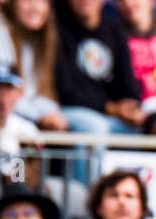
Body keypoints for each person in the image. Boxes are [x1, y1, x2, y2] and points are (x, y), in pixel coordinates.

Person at [0, 0, 68, 130]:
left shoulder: (34, 41)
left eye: (42, 1)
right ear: (11, 3)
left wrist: (50, 112)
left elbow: (35, 94)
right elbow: (3, 96)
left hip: (13, 118)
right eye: (27, 0)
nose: (35, 7)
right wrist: (41, 115)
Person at [54, 0, 144, 134]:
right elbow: (66, 92)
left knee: (139, 127)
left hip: (112, 114)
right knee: (95, 126)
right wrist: (111, 108)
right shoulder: (57, 30)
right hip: (70, 110)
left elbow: (128, 84)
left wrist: (130, 107)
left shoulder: (115, 30)